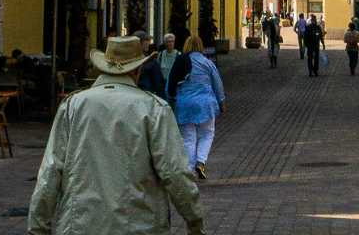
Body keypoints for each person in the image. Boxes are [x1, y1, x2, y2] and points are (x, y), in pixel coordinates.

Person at [26, 35, 204, 235]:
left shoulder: (73, 106)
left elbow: (50, 172)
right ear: (137, 71)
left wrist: (38, 227)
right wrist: (194, 221)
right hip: (140, 226)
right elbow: (175, 172)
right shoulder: (154, 109)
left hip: (79, 225)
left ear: (103, 67)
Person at [167, 34, 225, 180]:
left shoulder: (180, 61)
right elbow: (217, 83)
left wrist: (170, 99)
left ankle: (189, 169)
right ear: (201, 47)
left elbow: (170, 84)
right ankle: (201, 161)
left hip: (184, 104)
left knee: (188, 138)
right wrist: (221, 101)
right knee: (207, 133)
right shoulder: (207, 63)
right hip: (206, 104)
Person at [134, 31, 164, 96]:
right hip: (146, 96)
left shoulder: (127, 60)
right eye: (146, 40)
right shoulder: (151, 62)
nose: (148, 43)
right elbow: (159, 85)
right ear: (139, 43)